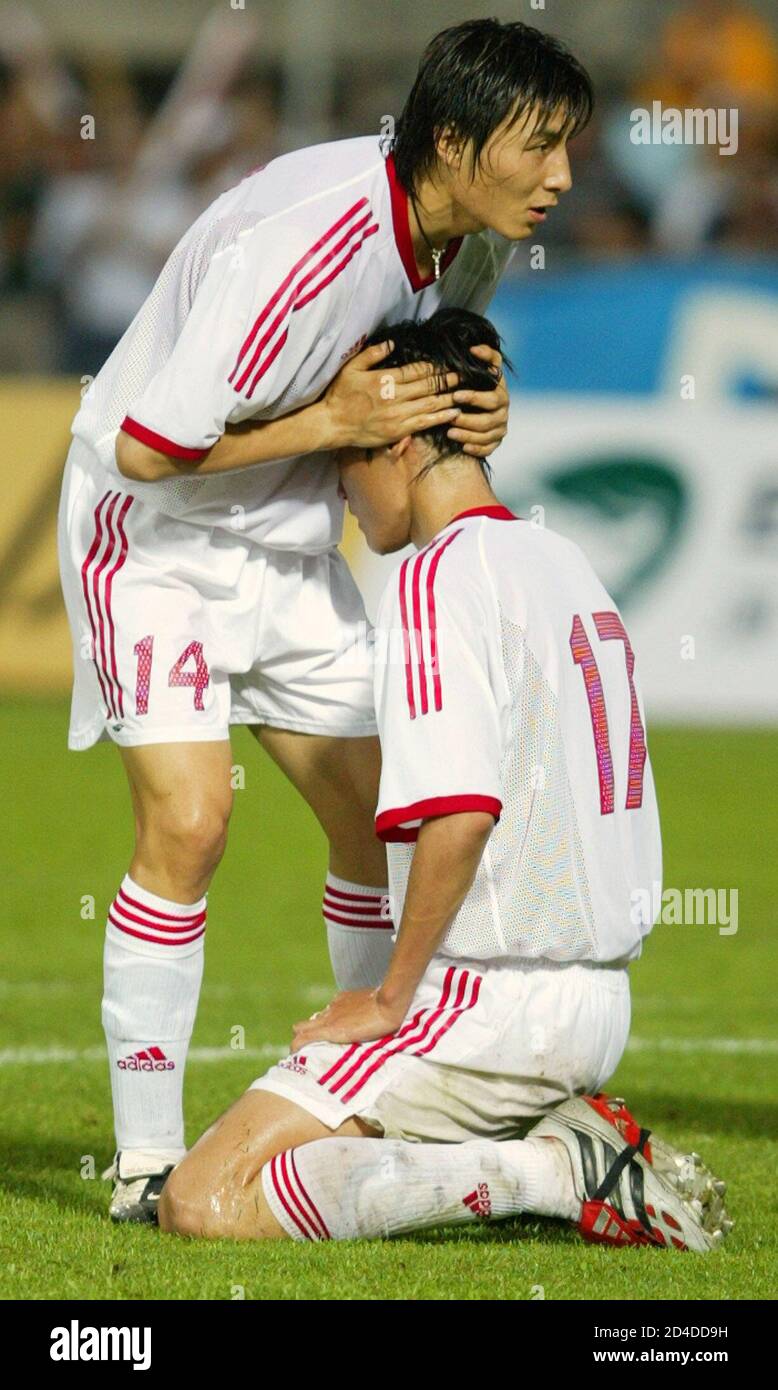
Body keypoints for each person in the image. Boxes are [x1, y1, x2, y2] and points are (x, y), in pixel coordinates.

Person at [57, 17, 594, 1221]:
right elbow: (147, 445)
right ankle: (145, 1165)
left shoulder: (462, 234)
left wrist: (473, 398)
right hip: (151, 542)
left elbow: (422, 364)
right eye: (540, 147)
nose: (561, 175)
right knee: (192, 824)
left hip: (287, 546)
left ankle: (370, 1086)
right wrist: (335, 425)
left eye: (570, 147)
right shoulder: (304, 239)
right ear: (453, 141)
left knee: (381, 819)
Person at [157, 309, 730, 1252]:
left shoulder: (435, 580)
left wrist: (389, 1001)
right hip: (600, 1008)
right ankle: (544, 1143)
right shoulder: (566, 561)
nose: (342, 492)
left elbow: (459, 815)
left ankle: (551, 1172)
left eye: (346, 454)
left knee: (205, 1197)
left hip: (490, 1001)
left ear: (396, 439)